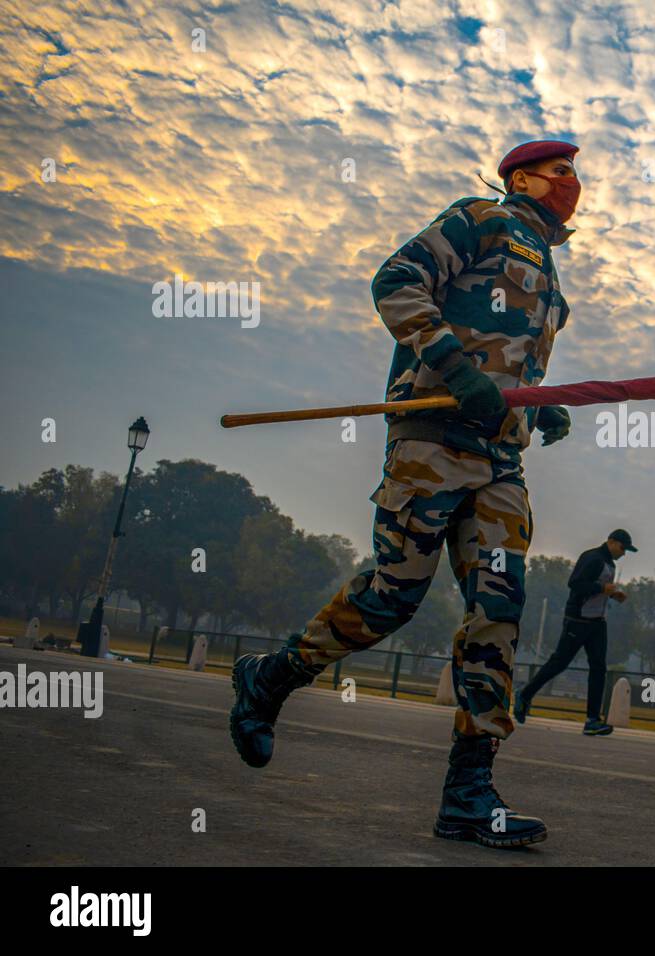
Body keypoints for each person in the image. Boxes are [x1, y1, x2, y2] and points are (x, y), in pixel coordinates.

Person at [228, 139, 583, 849]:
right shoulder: (479, 219)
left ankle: (469, 793)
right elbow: (396, 280)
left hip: (499, 463)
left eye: (576, 175)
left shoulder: (551, 279)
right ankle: (271, 678)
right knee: (395, 595)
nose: (572, 185)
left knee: (499, 608)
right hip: (430, 442)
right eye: (560, 172)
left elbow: (508, 364)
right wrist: (456, 370)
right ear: (521, 179)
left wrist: (539, 406)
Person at [515, 530, 637, 735]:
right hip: (578, 620)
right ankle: (525, 694)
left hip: (598, 622)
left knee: (598, 668)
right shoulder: (592, 558)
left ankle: (592, 720)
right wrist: (602, 589)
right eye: (622, 548)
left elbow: (599, 588)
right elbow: (575, 584)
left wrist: (613, 594)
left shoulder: (609, 563)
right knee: (559, 662)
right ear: (611, 541)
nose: (623, 553)